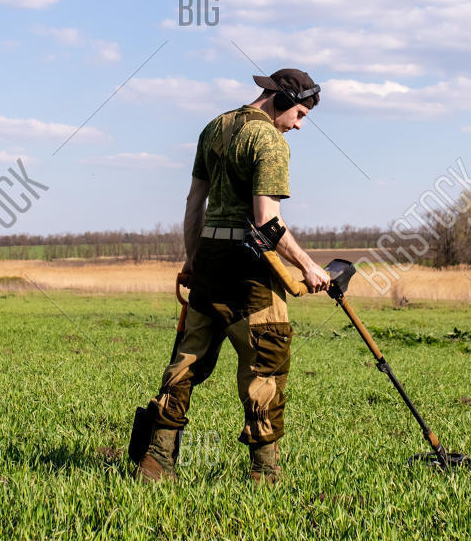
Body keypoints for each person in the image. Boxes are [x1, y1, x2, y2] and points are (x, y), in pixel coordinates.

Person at [130, 68, 331, 483]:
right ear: (280, 101)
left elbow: (194, 203)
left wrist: (192, 261)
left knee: (187, 360)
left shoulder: (213, 128)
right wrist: (308, 266)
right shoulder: (268, 141)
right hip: (249, 272)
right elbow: (266, 221)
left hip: (209, 262)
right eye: (299, 114)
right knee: (266, 364)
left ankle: (156, 462)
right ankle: (264, 473)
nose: (298, 125)